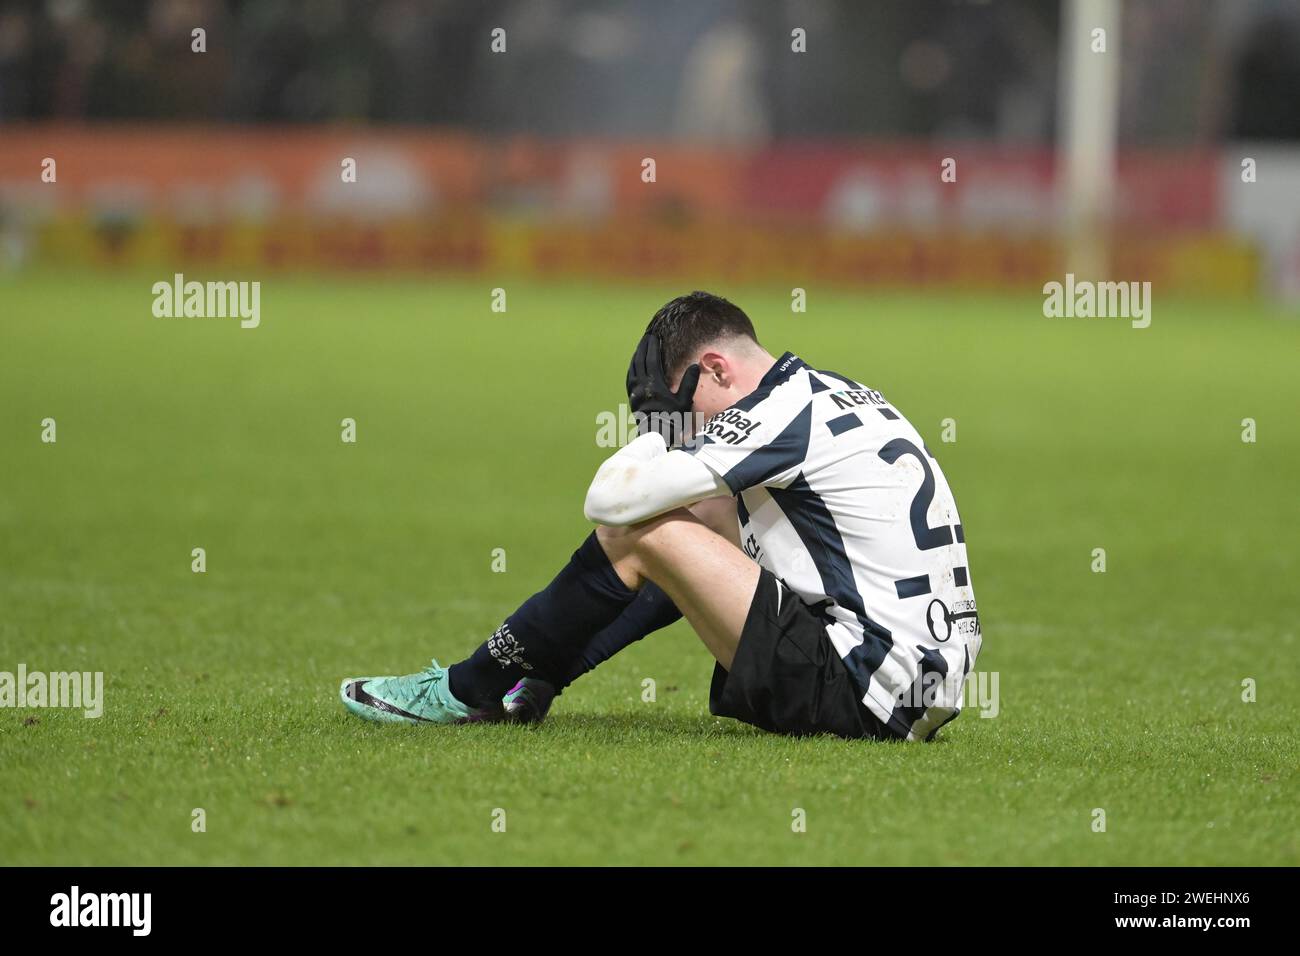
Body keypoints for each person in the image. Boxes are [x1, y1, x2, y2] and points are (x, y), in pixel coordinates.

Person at [340, 291, 981, 741]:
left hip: (863, 688)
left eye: (679, 415)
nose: (683, 435)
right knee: (698, 517)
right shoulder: (829, 391)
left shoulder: (778, 412)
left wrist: (652, 446)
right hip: (918, 687)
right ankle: (533, 682)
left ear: (717, 369)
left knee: (641, 530)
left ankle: (468, 687)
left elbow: (611, 503)